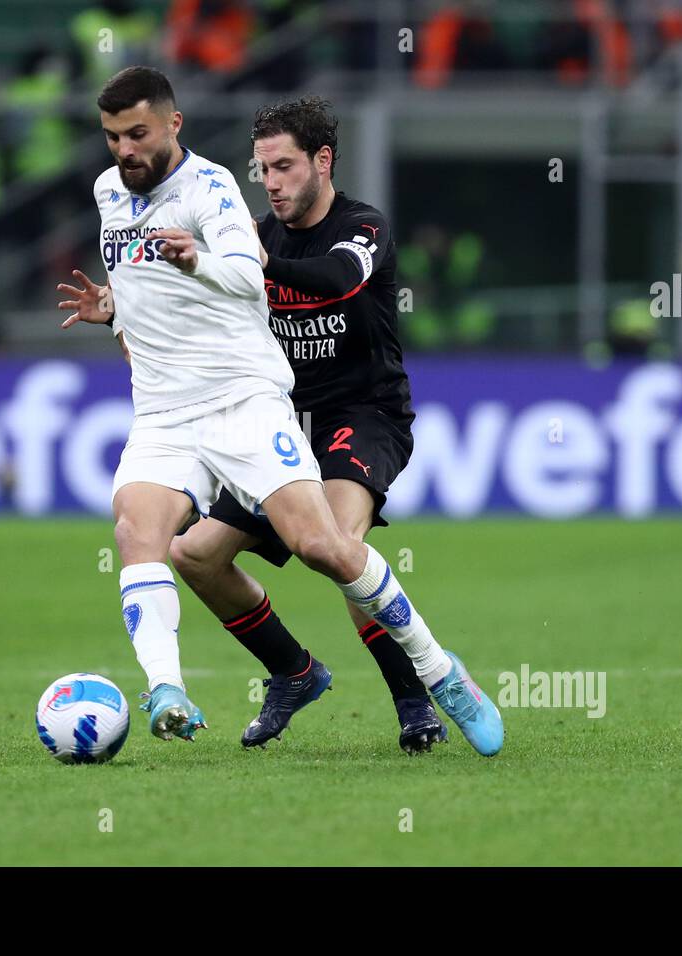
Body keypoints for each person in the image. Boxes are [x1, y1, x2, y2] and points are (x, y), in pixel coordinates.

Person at [57, 66, 502, 758]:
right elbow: (184, 296)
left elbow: (334, 278)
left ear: (322, 162)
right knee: (191, 553)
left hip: (360, 412)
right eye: (262, 168)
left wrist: (236, 261)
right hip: (273, 411)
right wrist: (123, 308)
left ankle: (428, 690)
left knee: (332, 548)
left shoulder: (357, 227)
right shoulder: (153, 202)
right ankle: (289, 673)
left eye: (283, 166)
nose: (270, 181)